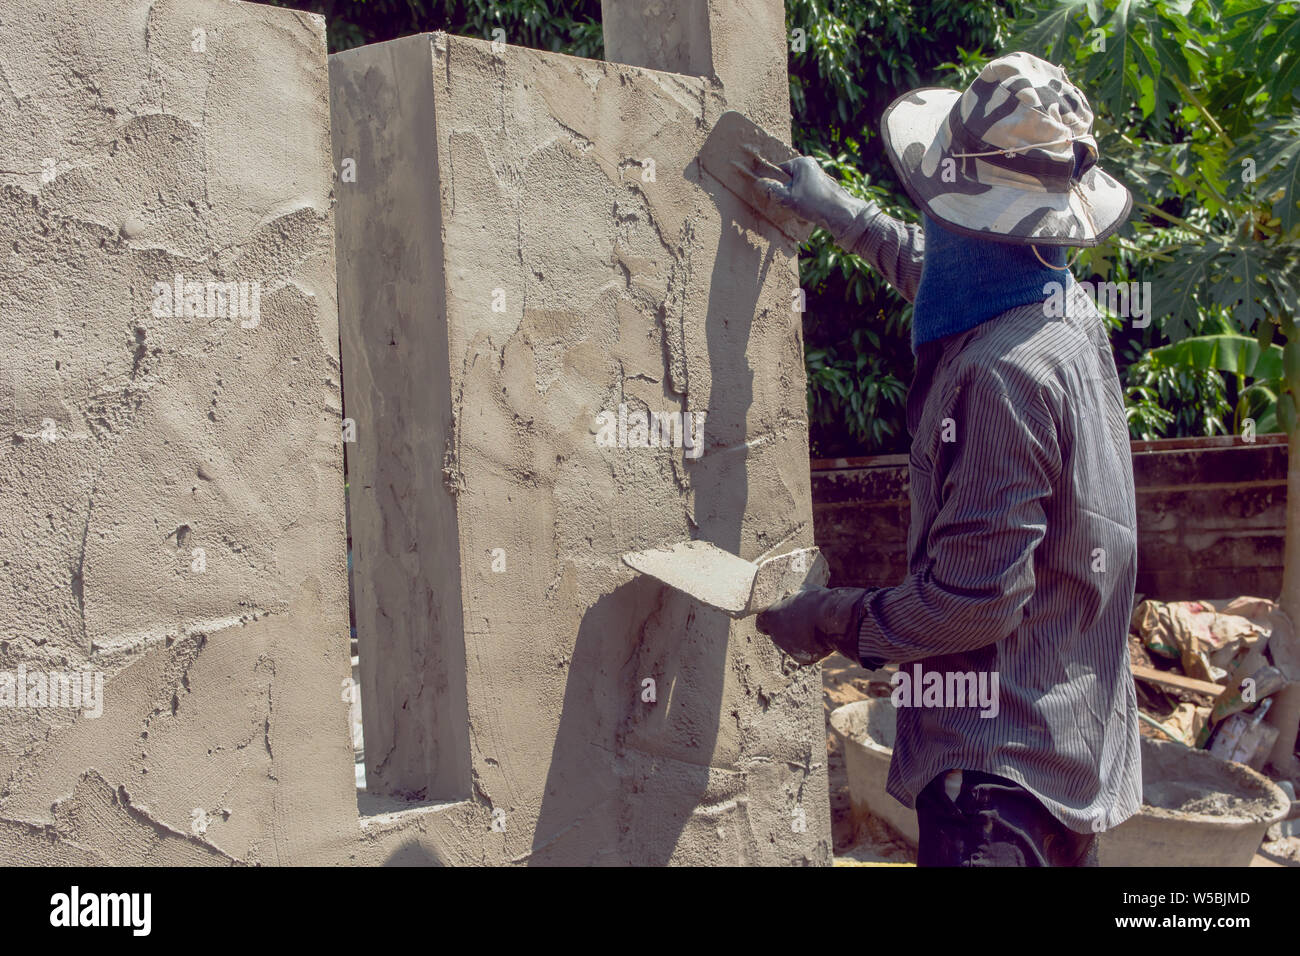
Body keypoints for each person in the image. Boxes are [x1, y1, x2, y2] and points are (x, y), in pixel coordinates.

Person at [754, 51, 1142, 866]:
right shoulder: (1057, 308)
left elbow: (971, 605)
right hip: (1065, 757)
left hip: (994, 792)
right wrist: (846, 218)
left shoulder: (1001, 378)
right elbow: (941, 277)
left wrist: (829, 619)